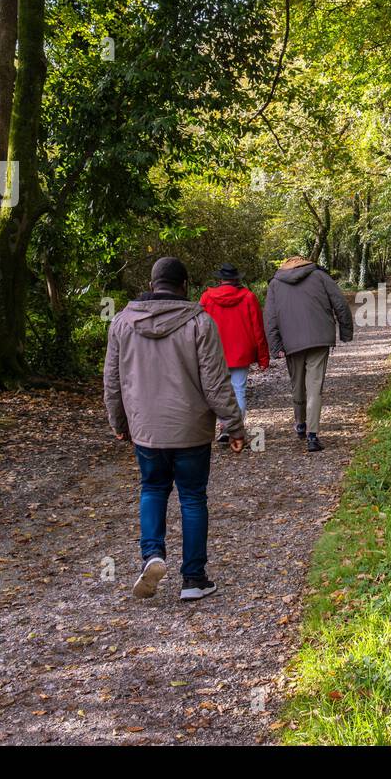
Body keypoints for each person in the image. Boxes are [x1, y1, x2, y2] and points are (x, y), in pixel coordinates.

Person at [104, 256, 245, 602]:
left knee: (152, 488)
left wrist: (118, 421)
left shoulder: (121, 323)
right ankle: (194, 579)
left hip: (146, 430)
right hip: (191, 429)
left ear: (153, 285)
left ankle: (152, 555)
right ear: (185, 286)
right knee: (193, 498)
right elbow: (215, 383)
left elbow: (112, 380)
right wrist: (234, 425)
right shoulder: (200, 323)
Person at [263, 255, 354, 452]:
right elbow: (340, 303)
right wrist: (346, 332)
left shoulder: (275, 284)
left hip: (291, 341)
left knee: (297, 384)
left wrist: (276, 346)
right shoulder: (320, 276)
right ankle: (312, 435)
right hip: (319, 338)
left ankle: (300, 424)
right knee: (314, 386)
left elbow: (270, 317)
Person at [198, 263, 269, 444]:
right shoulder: (248, 297)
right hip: (241, 352)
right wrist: (263, 358)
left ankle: (224, 428)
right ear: (237, 279)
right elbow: (258, 329)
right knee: (239, 391)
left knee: (219, 392)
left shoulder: (207, 298)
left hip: (213, 352)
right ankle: (236, 431)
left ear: (220, 279)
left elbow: (197, 327)